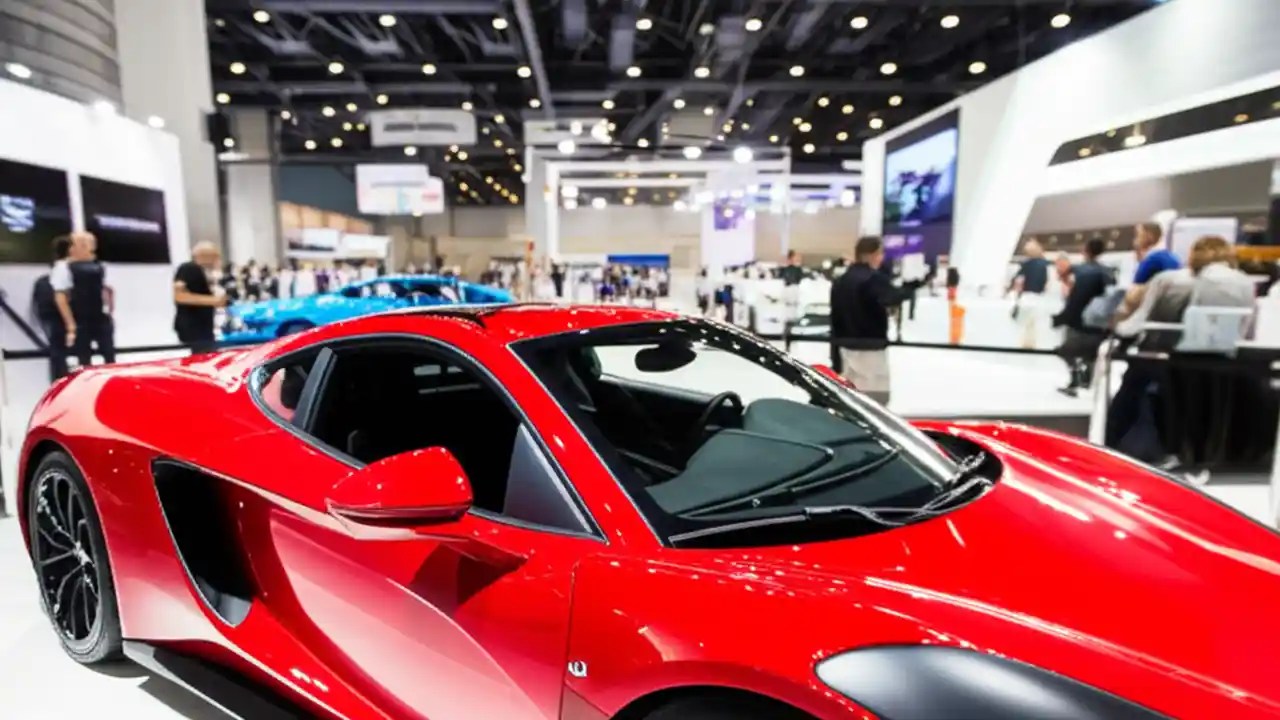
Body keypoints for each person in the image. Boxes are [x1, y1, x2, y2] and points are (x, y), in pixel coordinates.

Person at [1108, 236, 1256, 458]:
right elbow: (1246, 330)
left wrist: (1116, 329)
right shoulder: (1245, 283)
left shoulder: (1169, 281)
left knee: (1132, 399)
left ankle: (1115, 447)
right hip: (1226, 367)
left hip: (1170, 365)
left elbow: (1136, 324)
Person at [829, 236, 928, 406]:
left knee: (851, 396)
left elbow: (834, 318)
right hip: (870, 348)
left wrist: (835, 356)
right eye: (881, 253)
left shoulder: (841, 280)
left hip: (845, 347)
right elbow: (891, 297)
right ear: (874, 254)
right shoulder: (873, 279)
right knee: (874, 400)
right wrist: (913, 286)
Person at [1052, 237, 1112, 397]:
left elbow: (1076, 299)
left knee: (1065, 350)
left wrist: (1062, 318)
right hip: (1100, 323)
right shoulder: (1108, 272)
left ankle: (1075, 378)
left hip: (1079, 322)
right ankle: (1086, 379)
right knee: (1091, 353)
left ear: (1085, 250)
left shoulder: (1080, 271)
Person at [51, 232, 115, 369]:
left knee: (109, 355)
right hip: (80, 317)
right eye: (80, 244)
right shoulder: (63, 267)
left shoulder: (100, 266)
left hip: (100, 317)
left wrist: (109, 312)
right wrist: (71, 325)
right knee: (84, 358)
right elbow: (60, 297)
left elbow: (108, 291)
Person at [1117, 222, 1181, 322]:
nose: (1135, 239)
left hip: (1149, 310)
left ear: (1149, 236)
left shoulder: (1151, 259)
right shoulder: (1172, 256)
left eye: (1138, 235)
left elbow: (1134, 288)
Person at [173, 241, 228, 353]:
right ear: (204, 256)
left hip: (202, 328)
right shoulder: (188, 268)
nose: (216, 259)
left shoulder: (202, 272)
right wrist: (213, 301)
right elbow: (179, 296)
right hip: (194, 328)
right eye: (214, 256)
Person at [1009, 239, 1051, 349]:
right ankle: (1031, 345)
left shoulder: (1026, 265)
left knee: (1022, 325)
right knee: (1033, 326)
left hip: (1026, 297)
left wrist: (1015, 294)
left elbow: (1019, 281)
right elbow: (1046, 283)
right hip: (1038, 298)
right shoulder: (1044, 265)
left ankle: (1022, 346)